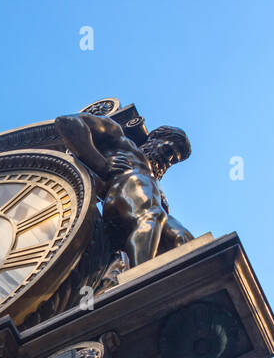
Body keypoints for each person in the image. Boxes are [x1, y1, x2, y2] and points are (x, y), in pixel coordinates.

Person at [53, 111, 193, 266]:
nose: (168, 159)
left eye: (173, 159)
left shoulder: (154, 183)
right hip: (122, 202)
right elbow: (68, 121)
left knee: (184, 238)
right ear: (154, 139)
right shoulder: (122, 142)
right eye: (168, 150)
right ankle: (140, 279)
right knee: (152, 215)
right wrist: (101, 164)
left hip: (149, 211)